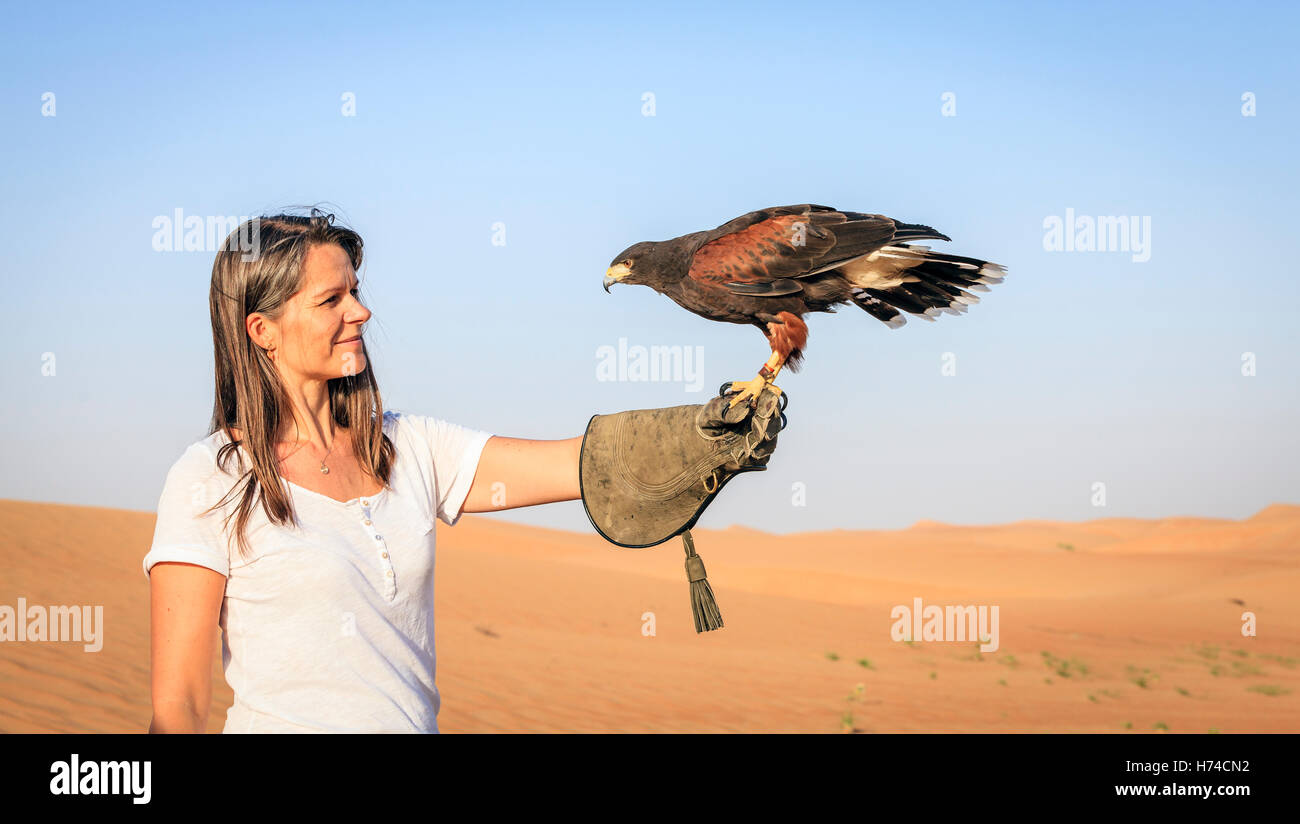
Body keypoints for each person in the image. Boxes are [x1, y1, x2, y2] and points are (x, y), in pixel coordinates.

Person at [144, 209, 781, 733]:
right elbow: (180, 707)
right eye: (331, 300)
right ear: (263, 330)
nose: (360, 312)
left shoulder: (406, 447)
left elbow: (584, 465)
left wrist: (700, 435)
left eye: (357, 292)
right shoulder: (213, 479)